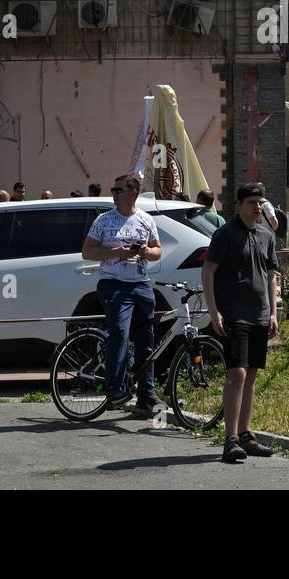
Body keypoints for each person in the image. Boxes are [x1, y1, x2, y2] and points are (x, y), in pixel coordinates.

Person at [202, 182, 279, 464]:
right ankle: (230, 439)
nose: (257, 208)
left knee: (252, 374)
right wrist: (214, 312)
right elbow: (208, 272)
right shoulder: (225, 234)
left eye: (260, 203)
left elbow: (271, 275)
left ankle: (247, 435)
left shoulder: (266, 235)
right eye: (251, 203)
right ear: (239, 205)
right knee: (238, 374)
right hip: (234, 314)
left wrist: (273, 312)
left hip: (260, 313)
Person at [82, 174, 162, 412]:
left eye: (118, 190)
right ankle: (115, 388)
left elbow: (158, 251)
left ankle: (146, 393)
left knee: (146, 342)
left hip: (141, 284)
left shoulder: (146, 220)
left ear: (133, 193)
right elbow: (87, 252)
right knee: (120, 332)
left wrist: (146, 251)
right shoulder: (104, 220)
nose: (114, 194)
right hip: (114, 284)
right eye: (113, 190)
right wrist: (115, 252)